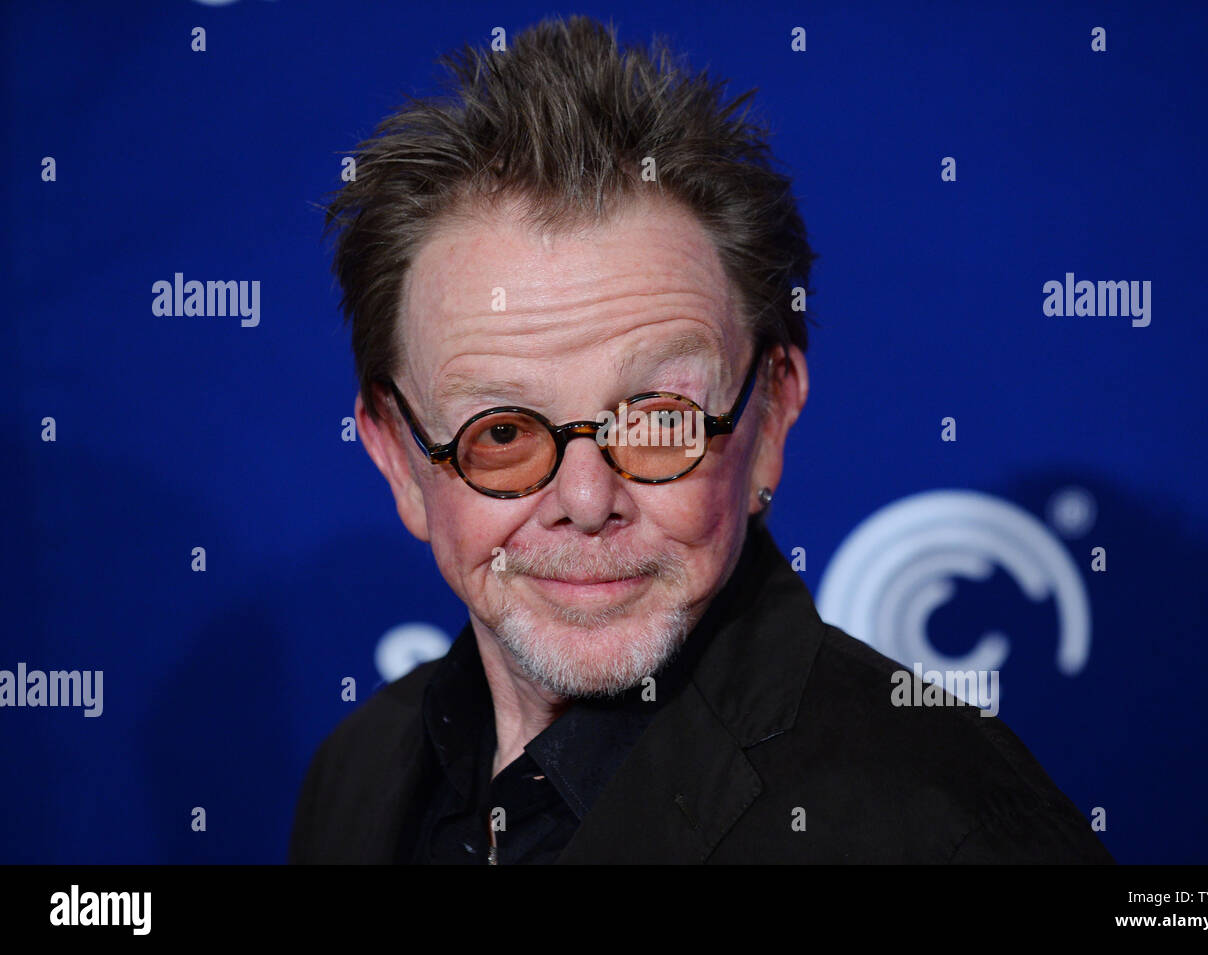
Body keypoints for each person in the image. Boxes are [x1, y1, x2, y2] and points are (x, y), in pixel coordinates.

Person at [288, 14, 1113, 864]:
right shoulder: (354, 779)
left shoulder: (952, 836)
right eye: (502, 432)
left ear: (770, 420)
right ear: (396, 455)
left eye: (655, 420)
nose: (585, 501)